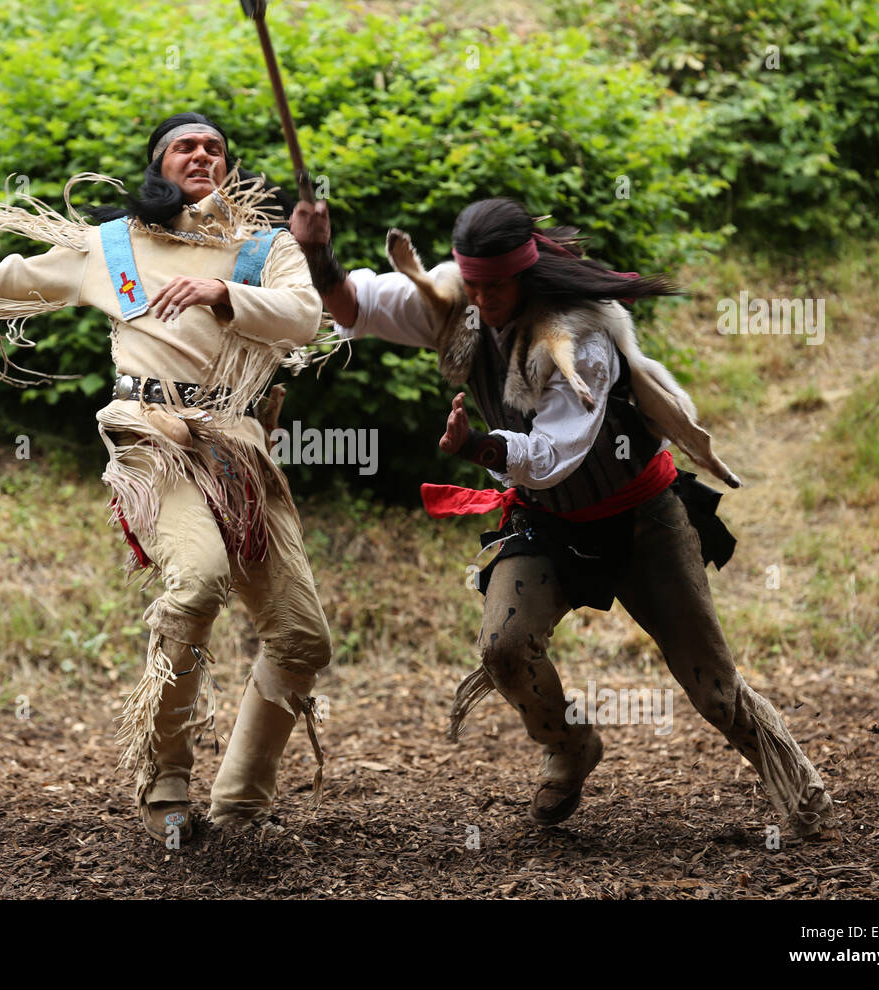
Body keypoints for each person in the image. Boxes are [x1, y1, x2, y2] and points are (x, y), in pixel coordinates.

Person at [0, 112, 332, 844]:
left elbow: (305, 317)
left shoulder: (263, 246)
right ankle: (165, 781)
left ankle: (241, 809)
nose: (203, 155)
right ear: (157, 165)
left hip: (241, 449)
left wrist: (220, 292)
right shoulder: (111, 247)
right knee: (196, 581)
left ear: (227, 166)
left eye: (214, 148)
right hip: (152, 440)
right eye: (185, 146)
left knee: (300, 638)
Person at [291, 196, 837, 839]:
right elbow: (355, 305)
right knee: (504, 647)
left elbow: (552, 456)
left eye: (496, 287)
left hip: (640, 520)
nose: (483, 300)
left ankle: (798, 788)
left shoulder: (580, 338)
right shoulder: (458, 302)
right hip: (546, 525)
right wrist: (317, 250)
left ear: (526, 275)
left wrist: (477, 447)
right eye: (473, 284)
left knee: (714, 692)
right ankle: (570, 745)